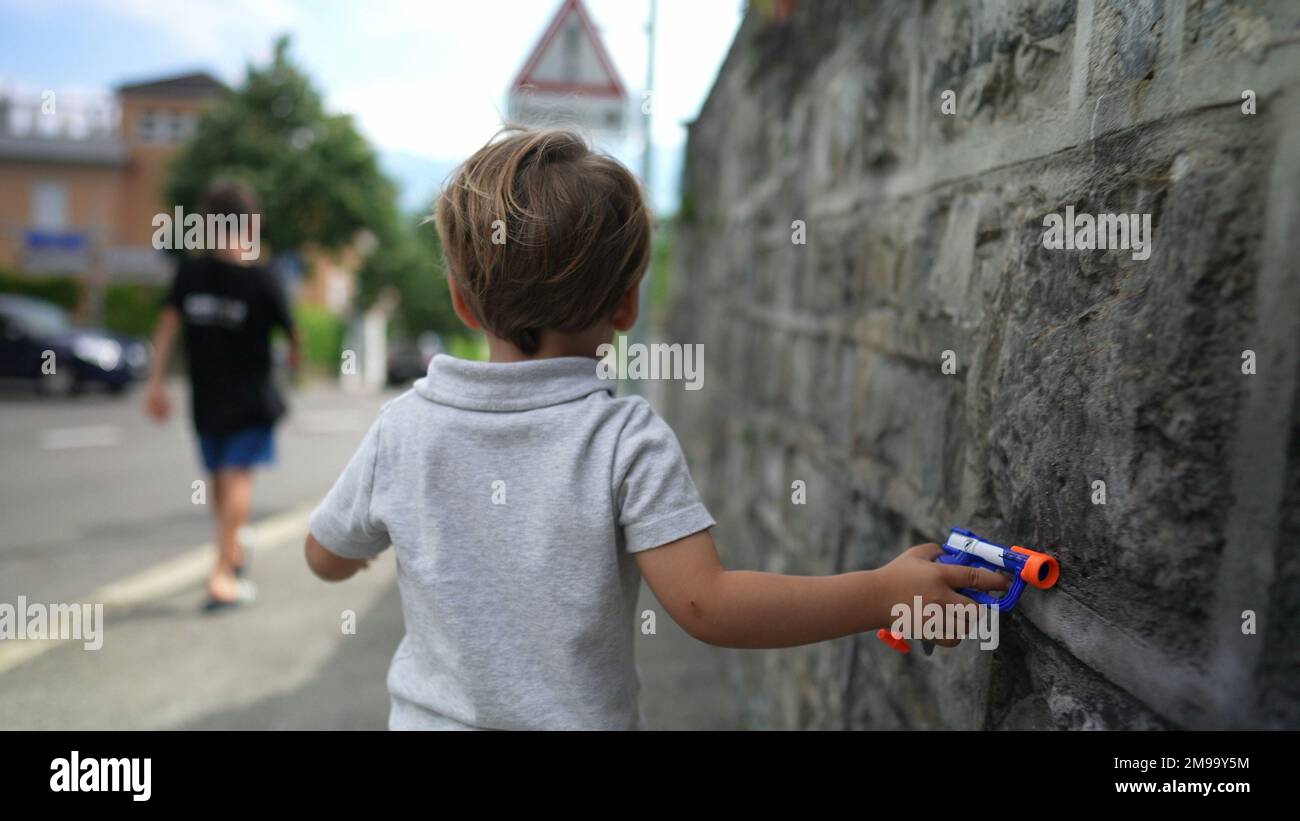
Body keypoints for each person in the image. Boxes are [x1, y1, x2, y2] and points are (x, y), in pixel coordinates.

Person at [303, 128, 1008, 730]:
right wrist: (880, 593)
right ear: (628, 303)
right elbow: (708, 603)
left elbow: (323, 554)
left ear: (460, 299)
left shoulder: (404, 426)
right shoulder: (622, 437)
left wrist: (356, 553)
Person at [146, 182, 299, 610]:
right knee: (232, 478)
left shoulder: (190, 273)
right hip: (247, 399)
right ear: (250, 226)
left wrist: (155, 382)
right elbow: (293, 335)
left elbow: (166, 328)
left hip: (210, 400)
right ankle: (222, 574)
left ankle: (228, 557)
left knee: (224, 478)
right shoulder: (263, 277)